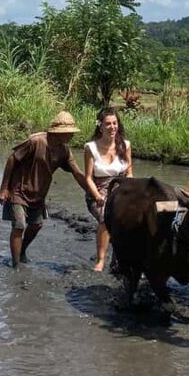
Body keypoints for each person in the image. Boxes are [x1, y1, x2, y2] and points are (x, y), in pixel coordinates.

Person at [0, 111, 87, 268]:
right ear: (58, 133)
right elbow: (12, 159)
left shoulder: (64, 151)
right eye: (68, 133)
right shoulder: (36, 141)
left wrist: (93, 193)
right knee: (19, 225)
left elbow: (77, 173)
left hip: (38, 193)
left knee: (36, 225)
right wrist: (4, 188)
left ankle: (22, 251)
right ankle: (15, 264)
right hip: (19, 190)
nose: (71, 135)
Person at [84, 107, 133, 272]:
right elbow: (88, 178)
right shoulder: (90, 148)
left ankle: (119, 259)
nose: (112, 127)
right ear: (100, 126)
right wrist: (97, 196)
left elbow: (129, 173)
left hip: (121, 189)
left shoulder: (125, 145)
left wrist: (132, 192)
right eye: (108, 124)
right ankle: (100, 261)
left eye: (115, 123)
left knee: (133, 219)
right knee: (106, 218)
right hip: (99, 189)